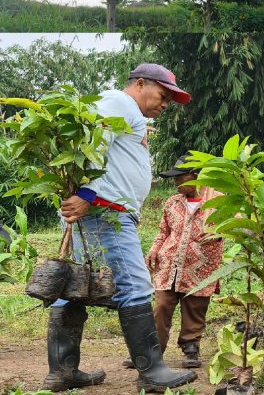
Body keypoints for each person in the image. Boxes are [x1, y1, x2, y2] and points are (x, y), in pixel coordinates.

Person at [46, 64, 197, 393]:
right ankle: (152, 372)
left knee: (74, 286)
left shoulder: (130, 113)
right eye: (163, 95)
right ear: (140, 84)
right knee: (135, 285)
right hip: (105, 212)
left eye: (170, 100)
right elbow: (94, 141)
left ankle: (63, 371)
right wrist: (86, 194)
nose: (165, 104)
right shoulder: (120, 102)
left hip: (102, 211)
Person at [145, 155, 224, 369]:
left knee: (195, 308)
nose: (176, 182)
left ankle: (191, 347)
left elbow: (232, 227)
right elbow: (164, 231)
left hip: (201, 268)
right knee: (161, 305)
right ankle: (153, 350)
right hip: (169, 265)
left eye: (181, 178)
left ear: (197, 177)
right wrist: (154, 249)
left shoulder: (217, 203)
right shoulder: (172, 203)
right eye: (175, 178)